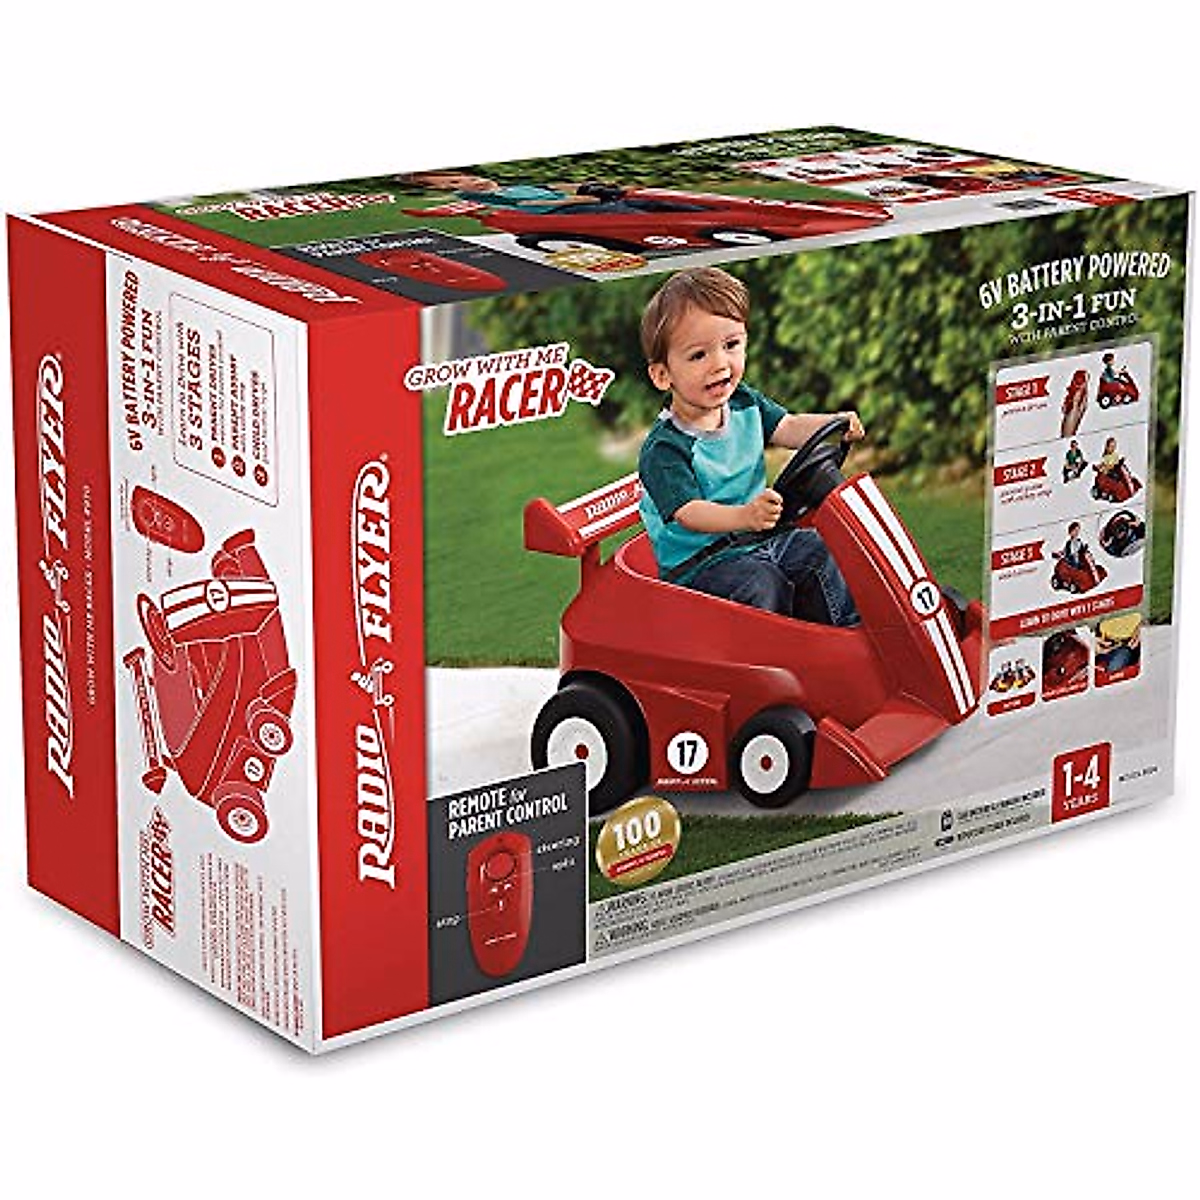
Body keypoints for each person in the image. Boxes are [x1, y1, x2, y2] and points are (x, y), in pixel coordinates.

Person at [636, 266, 863, 626]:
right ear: (663, 375)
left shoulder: (745, 403)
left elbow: (788, 426)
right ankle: (776, 657)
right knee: (760, 584)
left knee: (819, 551)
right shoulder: (665, 449)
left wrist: (832, 422)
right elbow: (689, 513)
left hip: (759, 538)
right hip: (701, 566)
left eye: (731, 345)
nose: (720, 364)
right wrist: (746, 516)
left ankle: (846, 635)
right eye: (698, 355)